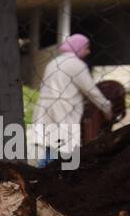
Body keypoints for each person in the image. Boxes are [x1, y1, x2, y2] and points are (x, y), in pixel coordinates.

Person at [31, 32, 112, 167]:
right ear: (78, 47)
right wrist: (107, 108)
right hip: (64, 109)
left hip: (46, 108)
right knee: (64, 149)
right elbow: (91, 91)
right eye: (86, 47)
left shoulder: (54, 62)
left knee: (51, 146)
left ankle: (41, 175)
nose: (88, 51)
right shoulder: (76, 64)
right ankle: (57, 178)